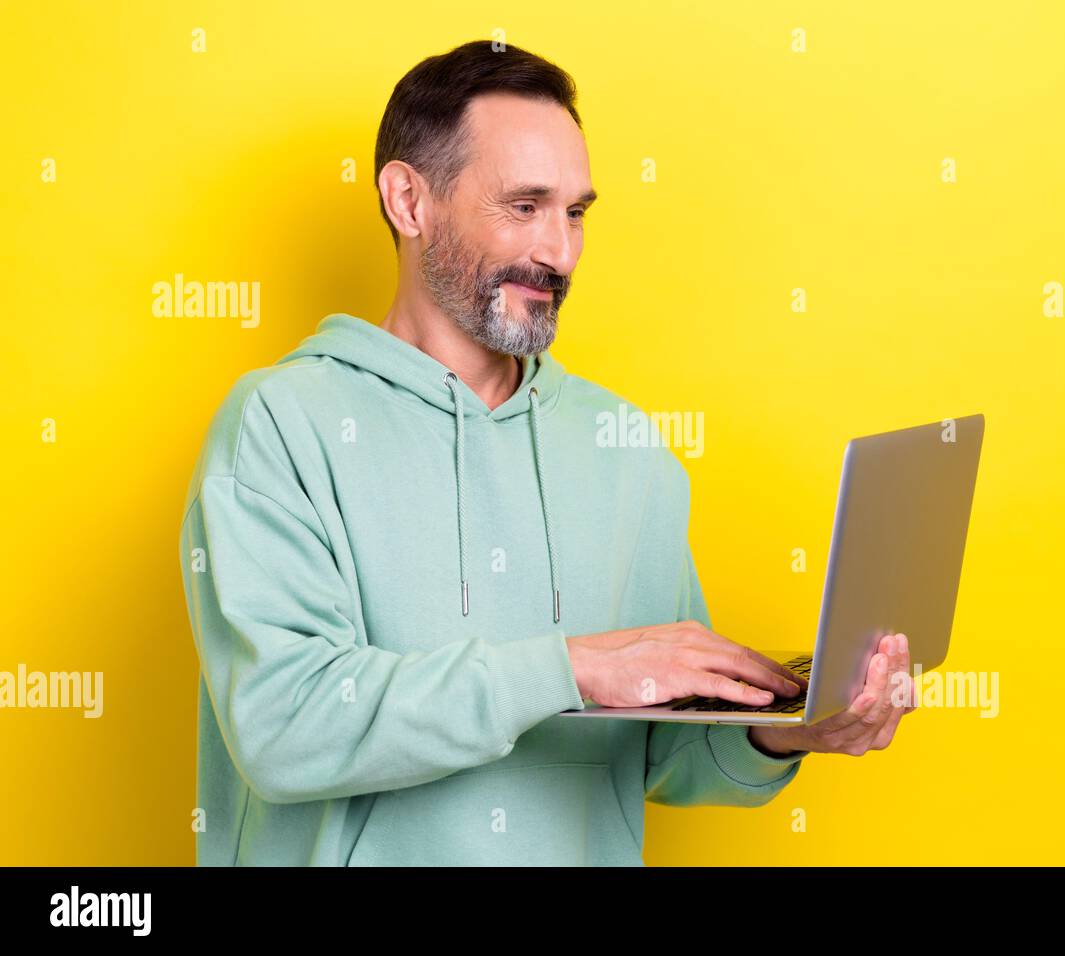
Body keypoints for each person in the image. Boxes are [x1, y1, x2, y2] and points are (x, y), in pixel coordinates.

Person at [177, 40, 916, 866]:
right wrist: (570, 669)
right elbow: (285, 727)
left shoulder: (624, 446)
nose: (560, 253)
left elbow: (661, 752)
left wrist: (785, 731)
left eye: (575, 213)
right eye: (524, 206)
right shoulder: (280, 424)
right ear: (408, 201)